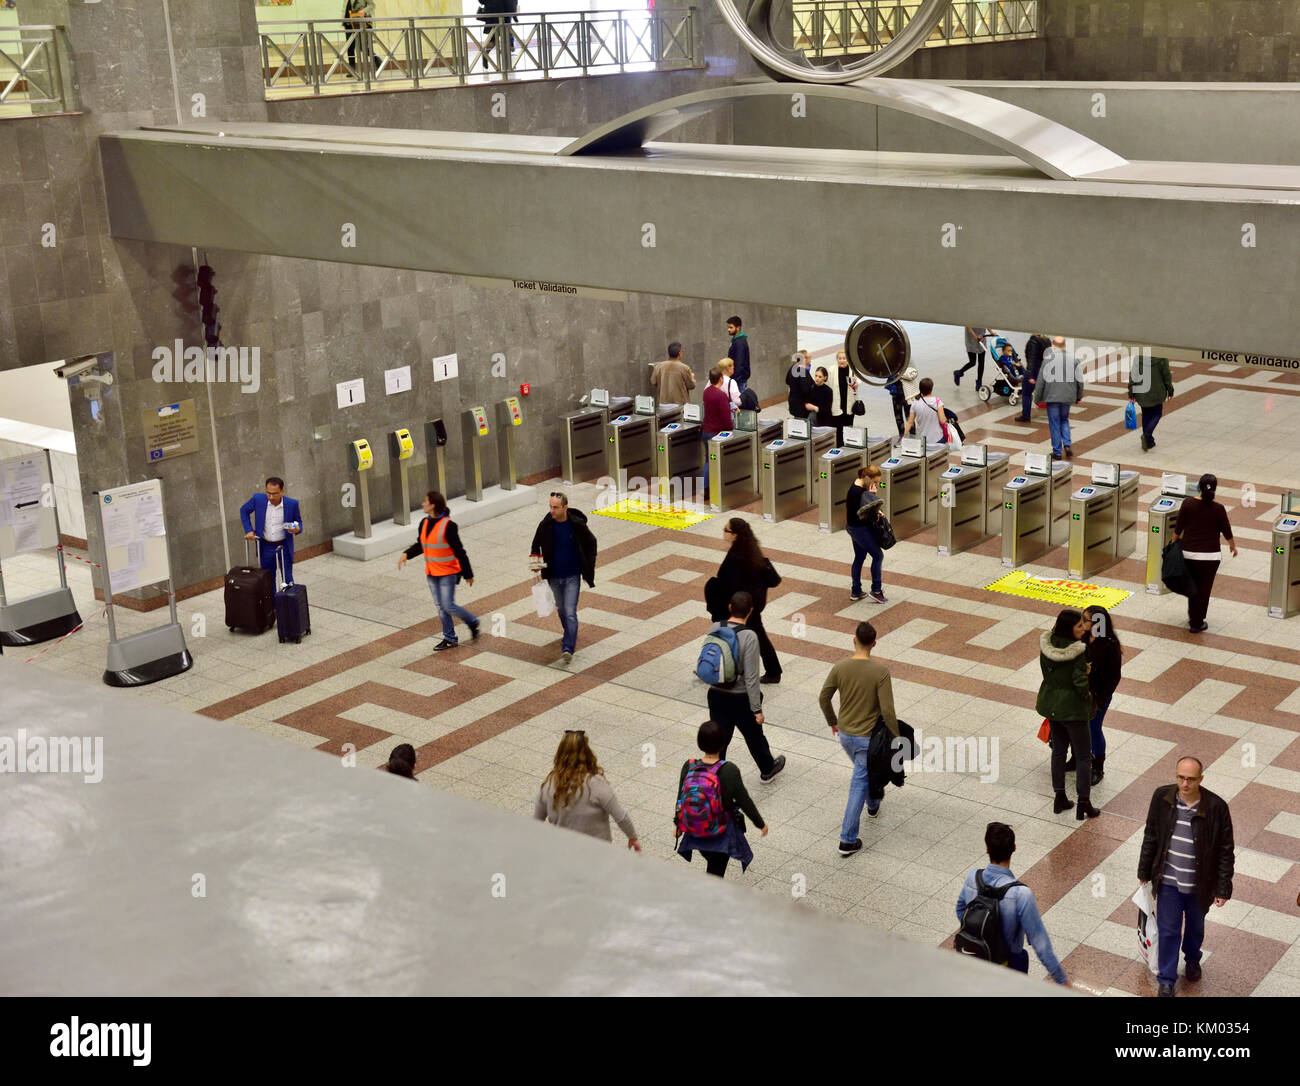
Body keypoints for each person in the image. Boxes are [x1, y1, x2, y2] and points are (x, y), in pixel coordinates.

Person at [1138, 756, 1235, 997]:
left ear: (1200, 779)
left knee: (1194, 928)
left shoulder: (1216, 807)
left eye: (1191, 779)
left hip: (1200, 884)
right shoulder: (1162, 798)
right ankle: (1167, 978)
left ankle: (1192, 958)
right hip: (1169, 881)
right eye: (1180, 777)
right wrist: (1144, 871)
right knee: (1168, 930)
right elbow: (1151, 834)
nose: (1184, 784)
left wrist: (1223, 888)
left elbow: (1225, 850)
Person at [956, 822, 1070, 985]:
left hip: (975, 961)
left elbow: (960, 910)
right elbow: (1040, 943)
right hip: (1008, 967)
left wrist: (979, 932)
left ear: (987, 849)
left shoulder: (972, 877)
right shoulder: (1020, 894)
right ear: (1014, 848)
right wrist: (1063, 981)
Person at [819, 620, 897, 856]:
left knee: (864, 774)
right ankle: (847, 839)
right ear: (874, 643)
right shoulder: (880, 672)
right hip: (867, 738)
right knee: (858, 784)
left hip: (845, 735)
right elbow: (887, 710)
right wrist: (896, 736)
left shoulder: (840, 667)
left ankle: (873, 803)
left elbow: (824, 697)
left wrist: (833, 721)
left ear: (854, 640)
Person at [702, 591, 786, 783]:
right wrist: (757, 709)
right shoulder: (749, 636)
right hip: (740, 697)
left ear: (730, 607)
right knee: (754, 736)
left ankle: (714, 773)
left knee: (719, 736)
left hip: (716, 693)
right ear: (750, 611)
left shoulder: (715, 627)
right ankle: (767, 769)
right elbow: (751, 677)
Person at [675, 720, 768, 878]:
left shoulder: (689, 766)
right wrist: (760, 824)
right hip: (719, 832)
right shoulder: (728, 770)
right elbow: (744, 800)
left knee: (713, 865)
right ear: (723, 743)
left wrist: (677, 824)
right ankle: (709, 898)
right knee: (716, 870)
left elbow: (680, 798)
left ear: (699, 743)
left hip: (695, 829)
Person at [1036, 609, 1099, 819]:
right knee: (1083, 757)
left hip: (1052, 704)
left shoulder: (1047, 645)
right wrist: (1089, 697)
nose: (1084, 629)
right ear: (1068, 628)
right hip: (1073, 709)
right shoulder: (1077, 652)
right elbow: (1080, 683)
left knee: (1058, 752)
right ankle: (1084, 802)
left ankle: (1059, 796)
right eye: (1079, 626)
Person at [398, 490, 478, 651]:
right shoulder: (424, 523)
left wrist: (468, 574)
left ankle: (472, 621)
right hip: (432, 573)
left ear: (433, 505)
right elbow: (421, 544)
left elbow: (460, 552)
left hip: (448, 573)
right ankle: (449, 638)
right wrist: (407, 553)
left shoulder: (448, 526)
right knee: (441, 607)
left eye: (425, 501)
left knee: (447, 605)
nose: (422, 504)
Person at [534, 730, 641, 851]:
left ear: (559, 754)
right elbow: (621, 817)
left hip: (563, 853)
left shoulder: (549, 784)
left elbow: (535, 823)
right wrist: (632, 837)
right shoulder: (595, 784)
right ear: (587, 754)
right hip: (596, 854)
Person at [706, 519, 783, 684]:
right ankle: (773, 671)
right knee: (757, 636)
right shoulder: (751, 549)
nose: (723, 532)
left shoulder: (736, 557)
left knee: (728, 637)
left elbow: (729, 583)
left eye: (725, 530)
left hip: (741, 606)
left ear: (734, 535)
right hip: (752, 604)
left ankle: (717, 669)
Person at [529, 491, 597, 664]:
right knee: (561, 609)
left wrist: (588, 565)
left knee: (570, 611)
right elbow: (535, 544)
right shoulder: (546, 525)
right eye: (550, 506)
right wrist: (535, 562)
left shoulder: (576, 525)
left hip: (573, 575)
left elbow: (591, 542)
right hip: (553, 576)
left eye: (556, 507)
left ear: (565, 507)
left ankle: (568, 647)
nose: (552, 510)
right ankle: (569, 633)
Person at [1172, 473, 1236, 633]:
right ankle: (1197, 621)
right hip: (1210, 557)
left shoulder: (1187, 504)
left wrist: (1172, 545)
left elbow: (1178, 529)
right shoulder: (1218, 509)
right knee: (1204, 589)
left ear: (1199, 487)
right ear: (1215, 489)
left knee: (1192, 587)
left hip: (1188, 554)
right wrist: (1233, 547)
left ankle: (1193, 618)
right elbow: (1227, 531)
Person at [1080, 604, 1121, 784]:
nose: (1081, 623)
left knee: (1093, 728)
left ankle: (1098, 766)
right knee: (1077, 726)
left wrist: (1102, 698)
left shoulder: (1109, 645)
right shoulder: (1083, 637)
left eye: (1085, 619)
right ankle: (1077, 758)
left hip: (1098, 695)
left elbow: (1114, 676)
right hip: (1080, 691)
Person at [239, 476, 302, 585]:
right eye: (268, 493)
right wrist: (248, 530)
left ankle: (288, 600)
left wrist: (297, 529)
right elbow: (243, 510)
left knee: (287, 578)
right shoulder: (258, 499)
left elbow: (299, 522)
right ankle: (271, 602)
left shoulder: (292, 504)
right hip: (265, 545)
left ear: (282, 491)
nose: (271, 497)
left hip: (284, 546)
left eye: (275, 494)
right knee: (268, 579)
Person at [1033, 335, 1083, 460]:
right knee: (1064, 419)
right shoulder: (1075, 360)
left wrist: (1037, 397)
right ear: (1065, 345)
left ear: (1053, 346)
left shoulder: (1047, 360)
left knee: (1054, 423)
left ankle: (1057, 452)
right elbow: (1080, 380)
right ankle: (1067, 444)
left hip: (1052, 396)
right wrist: (1079, 396)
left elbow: (1041, 381)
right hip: (1067, 396)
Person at [845, 464, 886, 603]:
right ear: (868, 478)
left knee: (860, 557)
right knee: (878, 555)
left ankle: (856, 591)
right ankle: (876, 590)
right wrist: (872, 495)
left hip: (853, 527)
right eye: (875, 482)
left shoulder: (859, 484)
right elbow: (863, 513)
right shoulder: (858, 492)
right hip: (859, 529)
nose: (877, 484)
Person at [1128, 353, 1174, 452]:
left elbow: (1133, 376)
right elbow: (1167, 376)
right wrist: (1170, 390)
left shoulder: (1138, 358)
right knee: (1157, 414)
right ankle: (1147, 435)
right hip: (1156, 392)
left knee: (1146, 414)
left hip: (1141, 392)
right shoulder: (1161, 358)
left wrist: (1131, 392)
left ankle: (1149, 441)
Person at [700, 367, 732, 502]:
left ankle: (707, 488)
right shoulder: (721, 395)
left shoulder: (706, 392)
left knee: (708, 460)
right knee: (714, 461)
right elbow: (725, 417)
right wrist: (731, 429)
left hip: (706, 430)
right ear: (721, 379)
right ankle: (711, 487)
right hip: (716, 433)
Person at [903, 377, 949, 448]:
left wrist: (904, 436)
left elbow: (910, 422)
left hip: (922, 440)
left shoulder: (915, 403)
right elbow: (942, 421)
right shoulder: (937, 402)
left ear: (920, 389)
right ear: (931, 388)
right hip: (937, 438)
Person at [650, 341, 695, 407]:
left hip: (663, 404)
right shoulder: (684, 368)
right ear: (679, 353)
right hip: (680, 405)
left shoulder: (658, 366)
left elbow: (653, 381)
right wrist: (692, 377)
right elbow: (691, 385)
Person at [830, 349, 861, 444]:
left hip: (849, 403)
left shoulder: (852, 370)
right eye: (840, 358)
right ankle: (838, 446)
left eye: (844, 358)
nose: (842, 360)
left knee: (848, 427)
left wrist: (856, 383)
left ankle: (848, 445)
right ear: (837, 359)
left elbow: (859, 380)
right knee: (838, 428)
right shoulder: (832, 370)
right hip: (837, 404)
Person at [342, 0, 379, 75]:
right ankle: (352, 70)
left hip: (360, 23)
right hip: (348, 24)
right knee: (350, 47)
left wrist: (364, 11)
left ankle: (377, 60)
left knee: (363, 47)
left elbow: (372, 5)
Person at [1020, 334, 1050, 423]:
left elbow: (1031, 359)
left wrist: (1029, 375)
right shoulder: (1047, 340)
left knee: (1026, 393)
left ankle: (1025, 415)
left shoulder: (1033, 341)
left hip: (1034, 371)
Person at [954, 326, 994, 390]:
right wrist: (975, 336)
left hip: (981, 340)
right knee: (972, 362)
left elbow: (986, 323)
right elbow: (968, 326)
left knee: (981, 363)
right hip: (971, 340)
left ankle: (979, 382)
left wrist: (991, 332)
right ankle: (958, 372)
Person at [785, 349, 814, 418]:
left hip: (793, 402)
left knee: (797, 423)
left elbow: (787, 381)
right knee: (803, 425)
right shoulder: (803, 371)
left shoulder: (793, 367)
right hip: (802, 406)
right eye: (809, 357)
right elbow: (806, 389)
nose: (811, 359)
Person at [726, 315, 751, 395]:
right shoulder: (736, 340)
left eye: (731, 327)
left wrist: (734, 380)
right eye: (728, 327)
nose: (728, 329)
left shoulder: (739, 342)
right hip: (738, 378)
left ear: (738, 328)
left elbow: (740, 363)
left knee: (739, 402)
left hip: (738, 380)